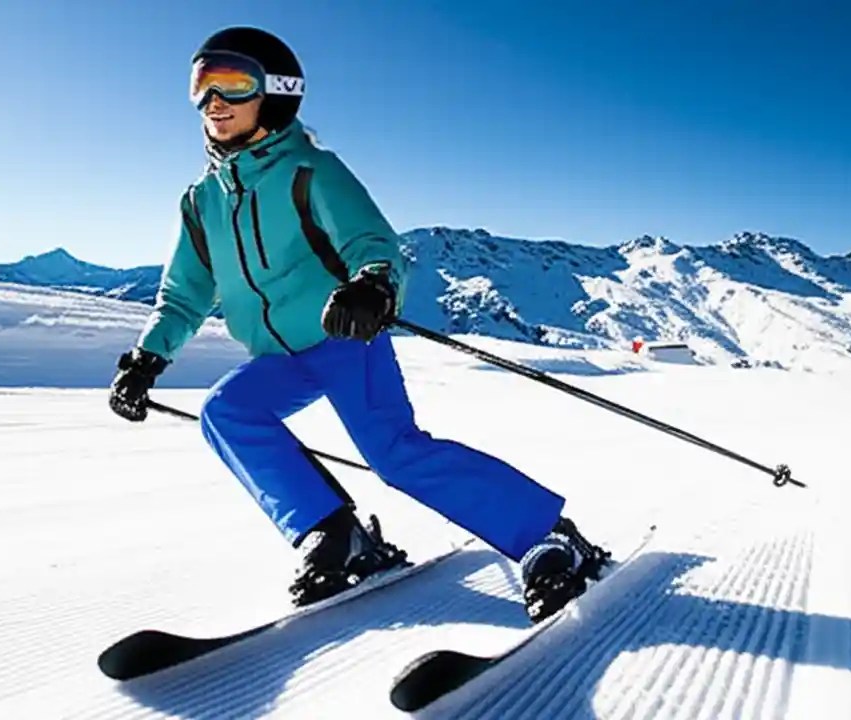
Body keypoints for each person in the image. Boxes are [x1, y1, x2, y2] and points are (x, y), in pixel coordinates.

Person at [108, 26, 609, 622]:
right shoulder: (201, 201)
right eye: (201, 85)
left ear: (276, 94)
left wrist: (371, 286)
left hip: (344, 337)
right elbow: (183, 294)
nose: (212, 102)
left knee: (394, 453)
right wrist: (147, 359)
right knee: (229, 413)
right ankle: (335, 536)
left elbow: (373, 244)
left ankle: (550, 539)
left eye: (233, 83)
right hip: (277, 355)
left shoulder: (310, 171)